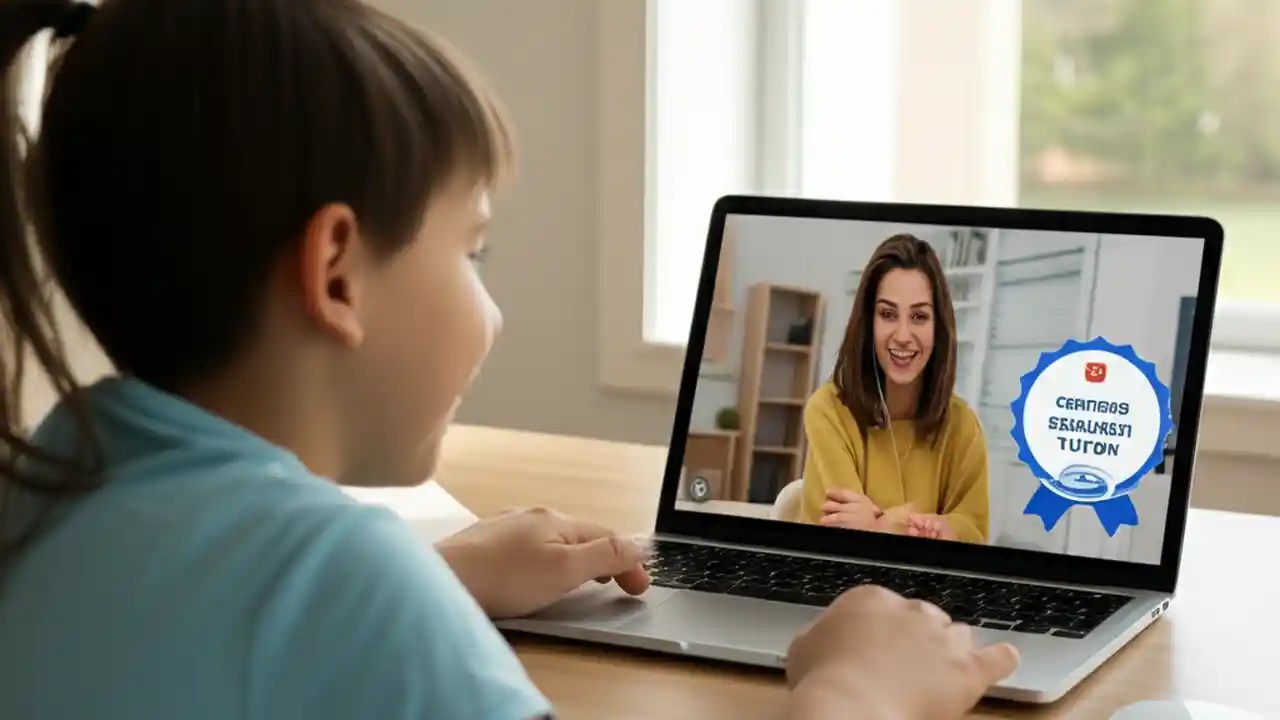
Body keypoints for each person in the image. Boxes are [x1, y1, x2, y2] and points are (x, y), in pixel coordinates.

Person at [0, 1, 1017, 718]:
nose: (490, 310)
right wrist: (855, 697)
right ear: (338, 274)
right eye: (473, 249)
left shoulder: (52, 470)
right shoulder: (342, 580)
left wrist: (432, 579)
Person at [800, 234, 991, 543]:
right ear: (868, 323)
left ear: (938, 327)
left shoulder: (963, 427)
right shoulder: (829, 411)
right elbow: (847, 536)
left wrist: (880, 522)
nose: (903, 335)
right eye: (888, 314)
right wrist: (922, 527)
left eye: (919, 316)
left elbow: (974, 533)